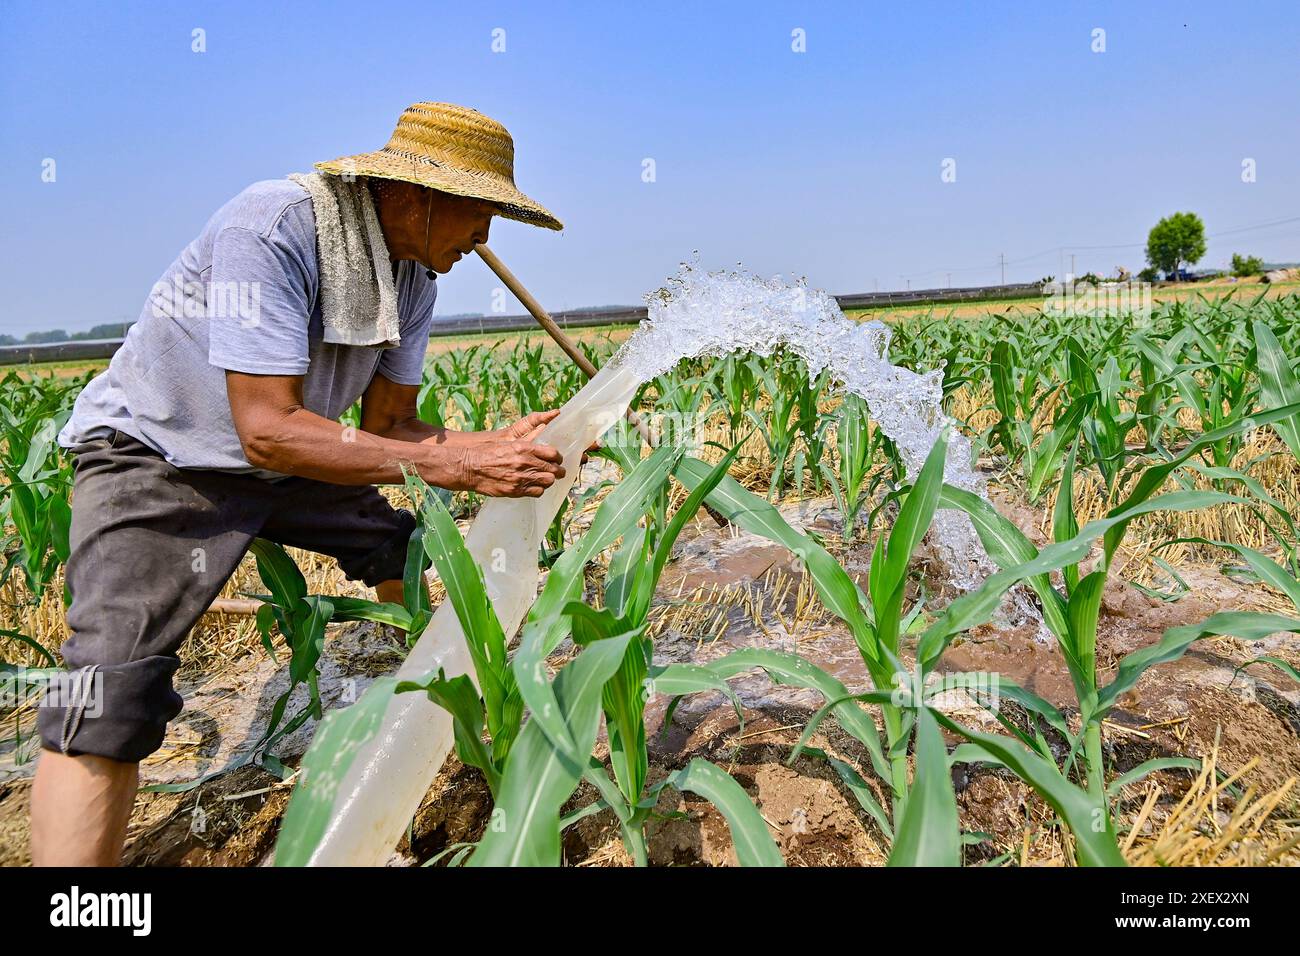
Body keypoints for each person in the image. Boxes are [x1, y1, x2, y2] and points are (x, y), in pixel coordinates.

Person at [31, 101, 566, 865]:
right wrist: (455, 465)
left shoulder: (413, 279)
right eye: (478, 216)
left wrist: (489, 445)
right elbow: (266, 427)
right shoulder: (273, 228)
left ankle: (423, 715)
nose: (483, 239)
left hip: (289, 458)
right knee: (111, 687)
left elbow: (393, 428)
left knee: (404, 551)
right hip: (162, 455)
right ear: (415, 198)